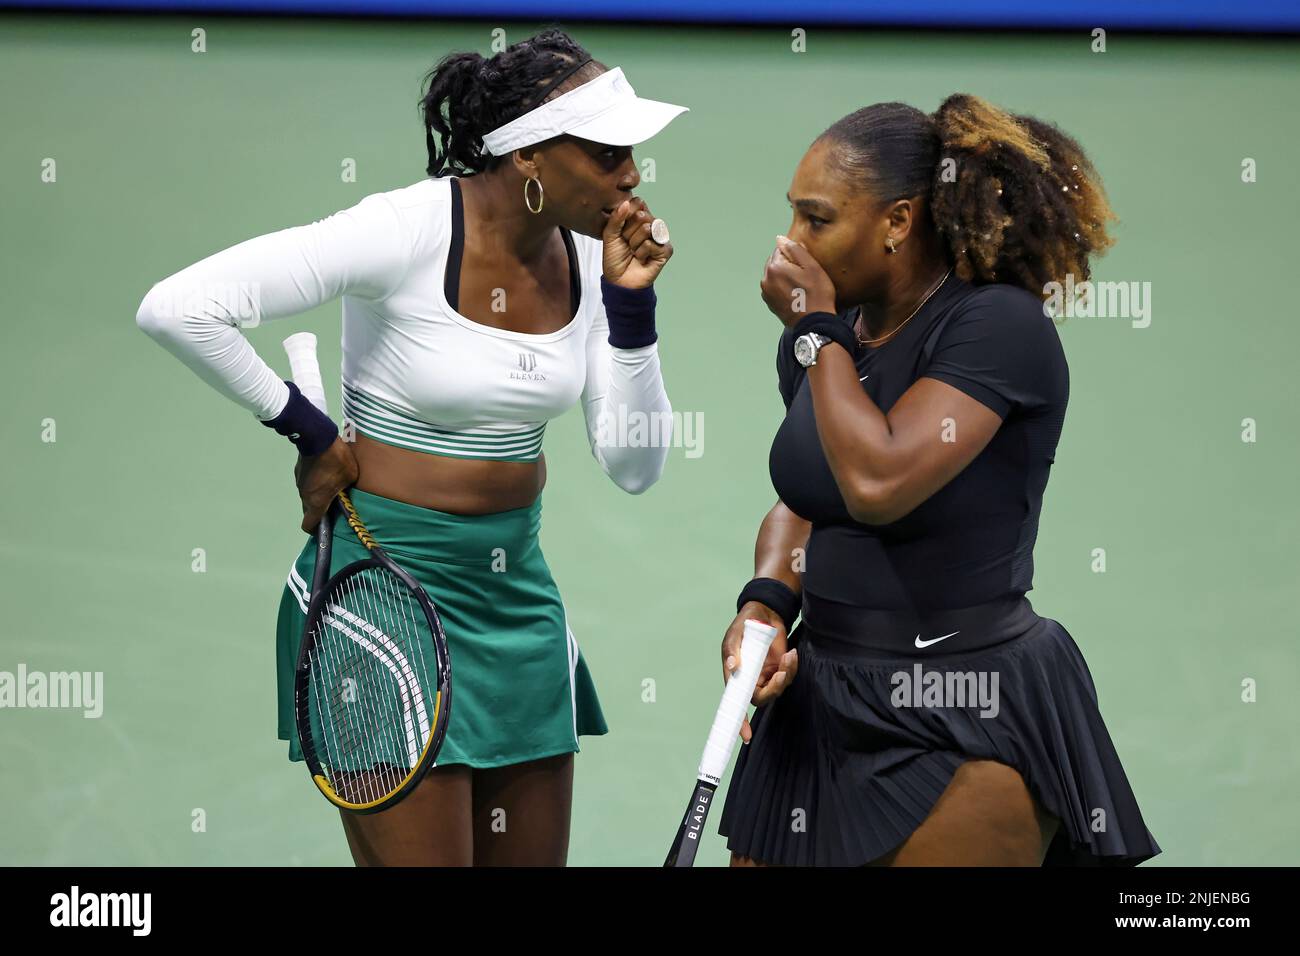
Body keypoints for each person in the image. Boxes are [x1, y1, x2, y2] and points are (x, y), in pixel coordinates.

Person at [135, 28, 688, 866]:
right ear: (531, 156)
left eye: (632, 153)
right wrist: (309, 432)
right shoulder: (403, 229)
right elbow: (179, 307)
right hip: (379, 595)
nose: (631, 174)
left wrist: (632, 313)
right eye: (609, 152)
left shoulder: (592, 258)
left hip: (518, 604)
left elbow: (635, 464)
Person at [716, 95, 1161, 866]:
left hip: (959, 709)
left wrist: (815, 334)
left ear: (897, 221)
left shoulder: (997, 327)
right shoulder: (832, 339)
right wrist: (765, 602)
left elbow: (879, 480)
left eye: (817, 220)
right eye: (792, 215)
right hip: (819, 704)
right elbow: (807, 498)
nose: (791, 244)